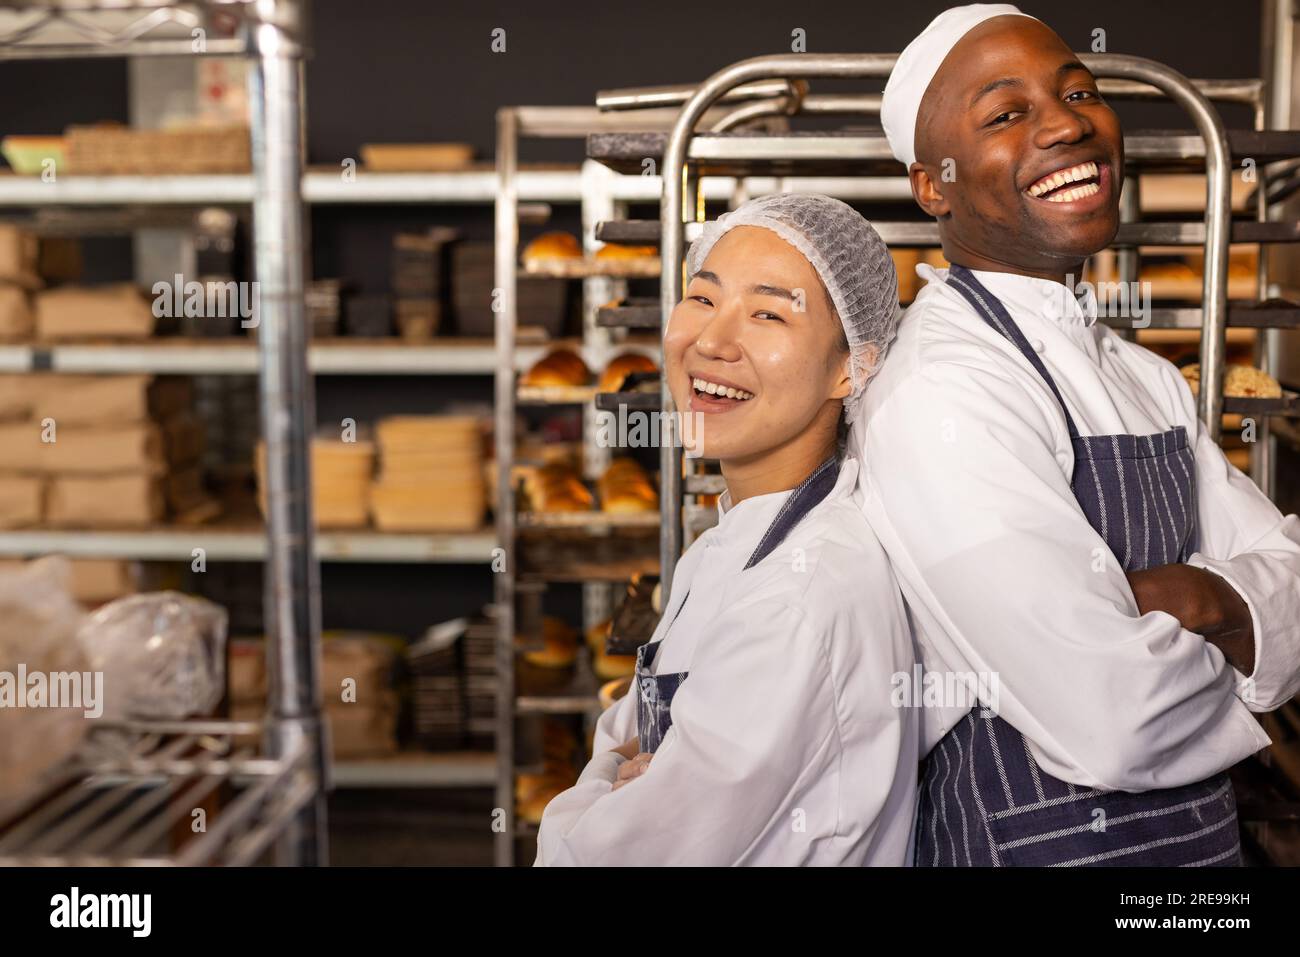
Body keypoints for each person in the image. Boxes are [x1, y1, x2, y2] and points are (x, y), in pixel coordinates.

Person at [857, 3, 1300, 866]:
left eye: (1079, 91)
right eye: (1005, 113)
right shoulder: (938, 387)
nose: (1066, 123)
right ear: (931, 185)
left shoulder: (1146, 376)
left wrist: (1189, 597)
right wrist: (1239, 620)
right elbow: (1112, 717)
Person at [535, 194, 918, 865]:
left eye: (769, 313)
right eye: (703, 298)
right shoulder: (723, 548)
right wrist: (615, 778)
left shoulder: (800, 598)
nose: (711, 341)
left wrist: (597, 789)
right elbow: (619, 739)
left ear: (851, 366)